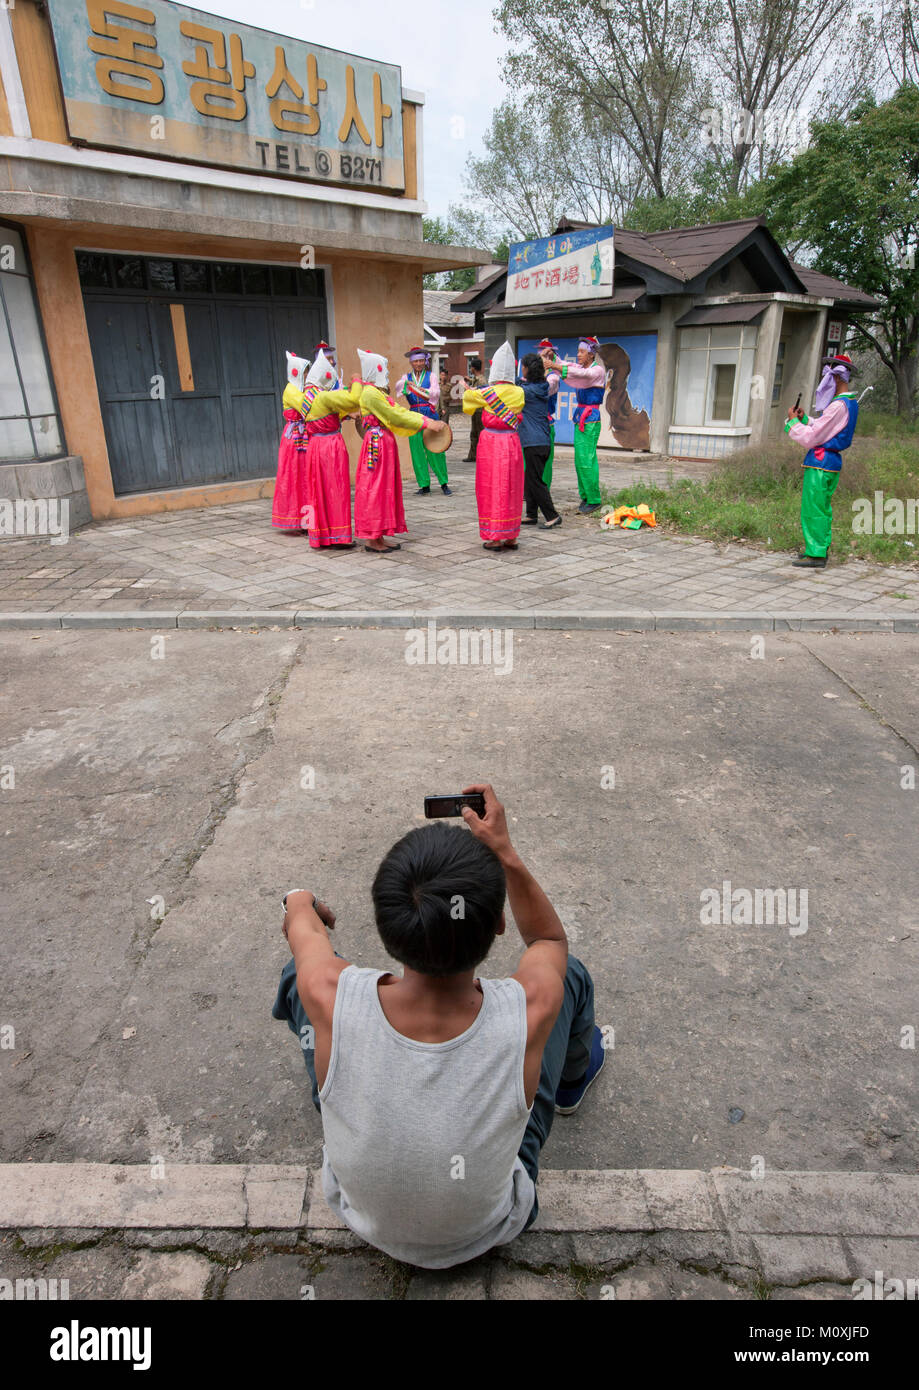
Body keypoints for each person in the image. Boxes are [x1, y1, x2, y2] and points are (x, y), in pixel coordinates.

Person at [272, 782, 605, 1270]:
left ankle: (340, 1088)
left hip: (360, 1216)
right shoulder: (528, 1008)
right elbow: (549, 938)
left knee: (298, 975)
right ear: (496, 925)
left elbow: (300, 925)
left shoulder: (331, 991)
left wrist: (300, 899)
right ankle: (573, 1079)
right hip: (491, 1227)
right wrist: (505, 853)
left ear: (388, 928)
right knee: (568, 974)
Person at [351, 348, 446, 554]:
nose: (386, 372)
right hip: (377, 445)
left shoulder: (376, 392)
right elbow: (395, 416)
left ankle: (380, 535)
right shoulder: (370, 394)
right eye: (383, 369)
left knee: (384, 487)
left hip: (383, 443)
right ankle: (372, 538)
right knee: (375, 488)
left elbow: (399, 411)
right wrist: (426, 422)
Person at [785, 353, 860, 569]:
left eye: (828, 375)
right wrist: (805, 419)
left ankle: (816, 554)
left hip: (820, 463)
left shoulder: (838, 406)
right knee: (822, 509)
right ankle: (818, 549)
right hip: (830, 463)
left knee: (813, 509)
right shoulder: (848, 403)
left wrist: (792, 423)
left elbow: (813, 437)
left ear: (836, 378)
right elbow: (825, 428)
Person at [462, 341, 525, 551]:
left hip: (491, 444)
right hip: (512, 442)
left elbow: (468, 401)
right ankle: (511, 536)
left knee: (492, 486)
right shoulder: (519, 393)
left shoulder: (487, 392)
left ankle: (495, 536)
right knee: (511, 487)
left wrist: (467, 389)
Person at [300, 350, 358, 550]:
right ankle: (339, 536)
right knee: (336, 489)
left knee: (318, 491)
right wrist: (357, 381)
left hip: (315, 446)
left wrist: (344, 416)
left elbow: (322, 416)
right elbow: (352, 399)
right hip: (330, 447)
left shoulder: (308, 396)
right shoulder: (324, 396)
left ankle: (321, 536)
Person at [546, 336, 606, 514]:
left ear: (591, 354)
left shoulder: (597, 371)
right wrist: (553, 356)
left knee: (586, 459)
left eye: (581, 352)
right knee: (580, 460)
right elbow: (570, 367)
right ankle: (586, 495)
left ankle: (594, 498)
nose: (578, 355)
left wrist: (553, 365)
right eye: (578, 351)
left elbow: (580, 375)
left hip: (590, 418)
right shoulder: (583, 367)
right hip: (581, 417)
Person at [396, 348, 452, 496]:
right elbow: (399, 389)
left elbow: (435, 392)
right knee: (416, 450)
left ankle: (444, 482)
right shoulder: (406, 377)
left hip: (429, 414)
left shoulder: (431, 376)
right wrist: (408, 387)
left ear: (425, 361)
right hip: (413, 416)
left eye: (421, 360)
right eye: (415, 361)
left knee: (436, 449)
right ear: (411, 362)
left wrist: (418, 389)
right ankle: (424, 484)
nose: (418, 363)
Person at [518, 353, 561, 528]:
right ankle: (531, 514)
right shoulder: (541, 386)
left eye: (523, 366)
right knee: (530, 478)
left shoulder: (527, 391)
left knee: (535, 480)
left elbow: (512, 387)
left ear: (527, 369)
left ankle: (552, 516)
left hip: (534, 442)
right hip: (540, 441)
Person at [271, 351, 311, 532]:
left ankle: (307, 520)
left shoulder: (301, 389)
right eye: (305, 372)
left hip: (304, 437)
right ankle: (297, 520)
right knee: (296, 477)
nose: (307, 376)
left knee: (306, 478)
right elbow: (308, 406)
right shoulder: (291, 390)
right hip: (295, 441)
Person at [537, 340, 558, 487]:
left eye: (544, 356)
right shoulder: (530, 378)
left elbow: (543, 389)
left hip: (545, 422)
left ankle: (544, 488)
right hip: (531, 422)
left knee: (545, 459)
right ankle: (529, 488)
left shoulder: (553, 378)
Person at [462, 357, 486, 462]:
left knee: (479, 433)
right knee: (474, 433)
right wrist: (469, 381)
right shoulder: (477, 379)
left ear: (473, 368)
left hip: (480, 411)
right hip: (476, 410)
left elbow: (481, 393)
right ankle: (473, 455)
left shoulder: (481, 380)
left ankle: (481, 455)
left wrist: (468, 390)